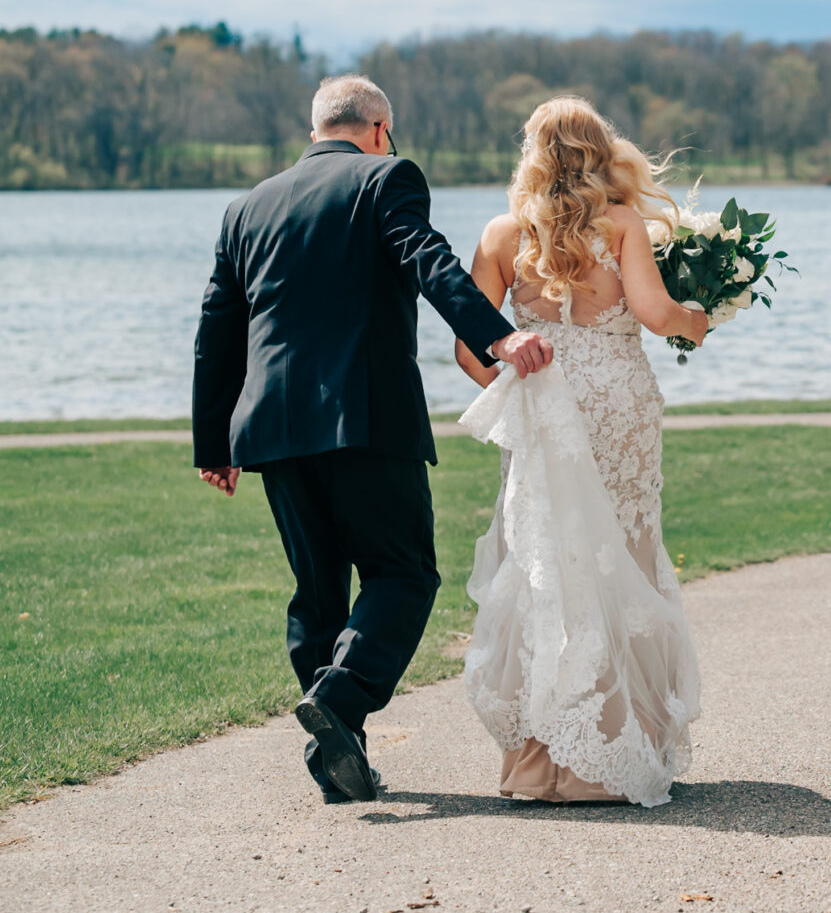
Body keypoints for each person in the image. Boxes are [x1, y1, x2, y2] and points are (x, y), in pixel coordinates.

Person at [191, 75, 554, 804]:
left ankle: (339, 759)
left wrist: (213, 442)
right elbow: (431, 262)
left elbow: (216, 330)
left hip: (272, 429)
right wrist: (498, 334)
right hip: (364, 418)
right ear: (380, 129)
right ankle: (342, 697)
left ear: (315, 127)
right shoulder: (387, 178)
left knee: (319, 591)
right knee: (403, 574)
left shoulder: (247, 206)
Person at [454, 96, 707, 806]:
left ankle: (540, 764)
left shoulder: (504, 234)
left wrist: (512, 372)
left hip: (548, 405)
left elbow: (469, 351)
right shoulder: (623, 223)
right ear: (600, 151)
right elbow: (658, 317)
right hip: (617, 402)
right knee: (620, 555)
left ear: (533, 154)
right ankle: (613, 747)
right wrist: (703, 318)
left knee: (547, 560)